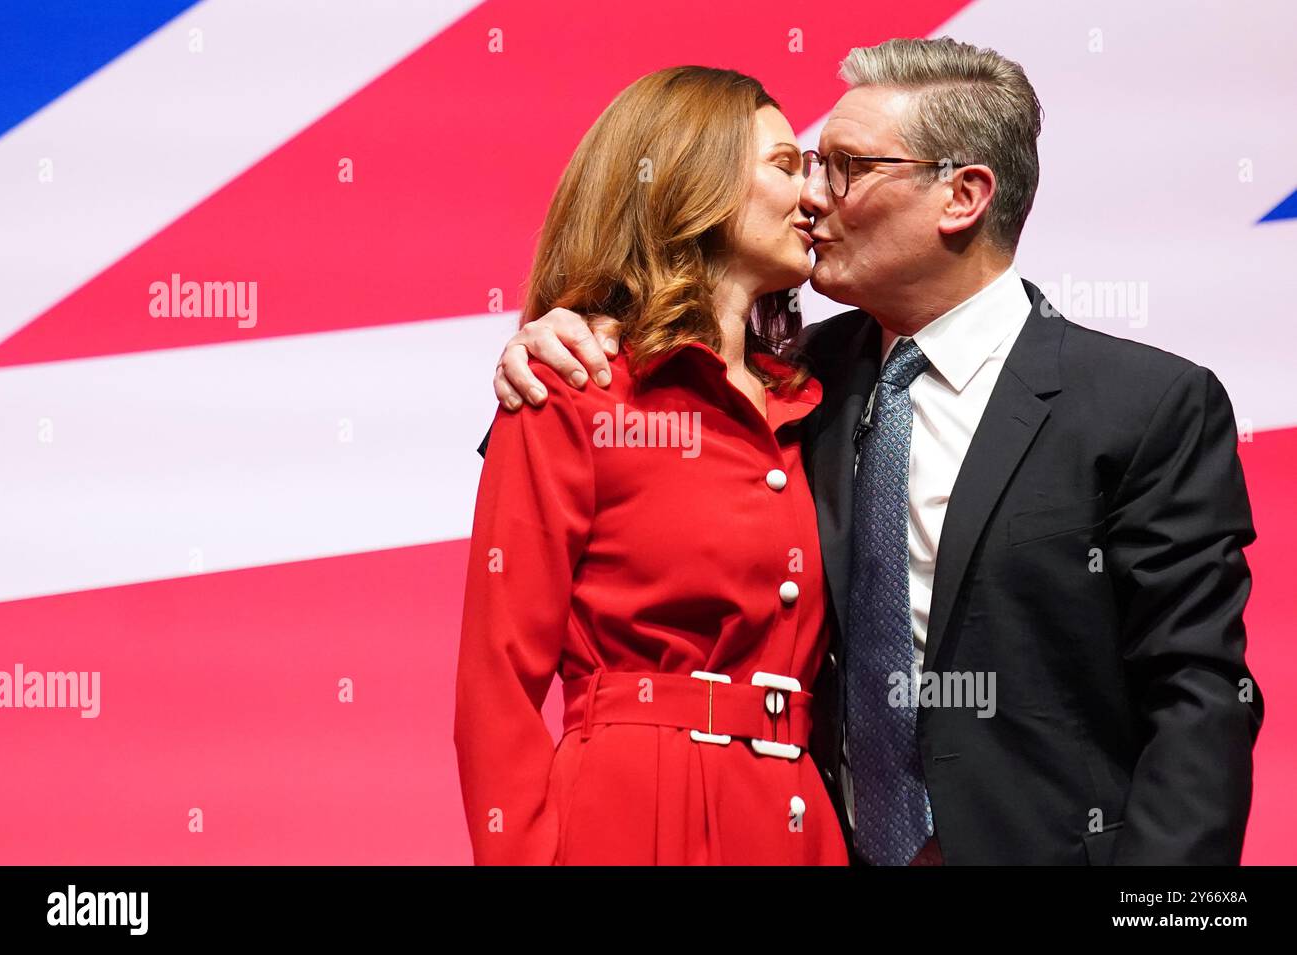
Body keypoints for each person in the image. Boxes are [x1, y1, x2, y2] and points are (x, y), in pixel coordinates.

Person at [486, 38, 1264, 865]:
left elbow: (1199, 700)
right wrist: (557, 341)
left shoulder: (1141, 406)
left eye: (847, 169)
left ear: (961, 196)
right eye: (810, 165)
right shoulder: (786, 387)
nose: (812, 198)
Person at [454, 65, 850, 865]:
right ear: (688, 181)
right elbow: (494, 688)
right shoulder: (573, 389)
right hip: (628, 817)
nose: (814, 197)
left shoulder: (820, 398)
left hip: (797, 823)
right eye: (784, 165)